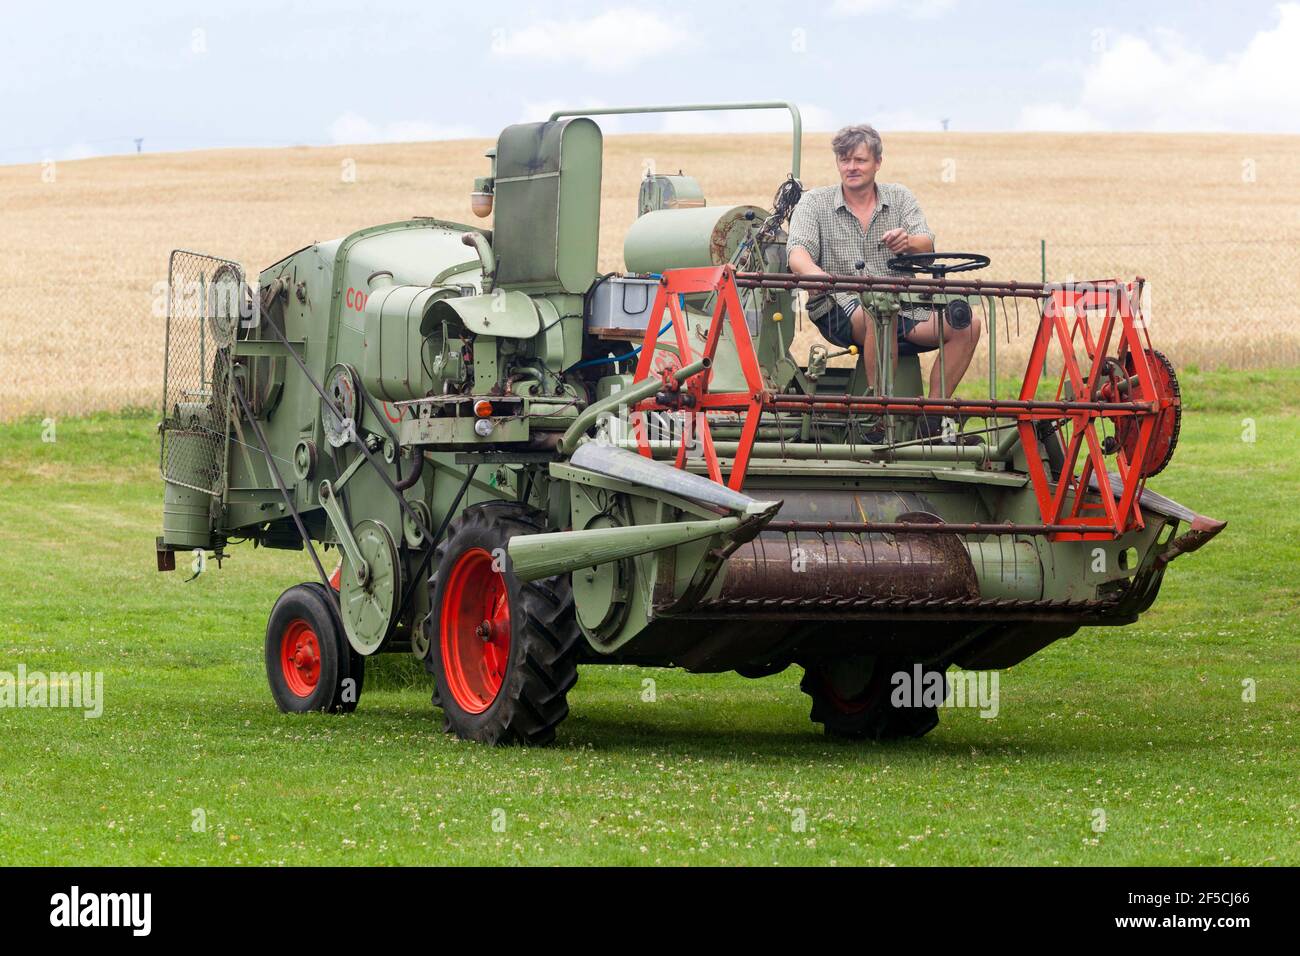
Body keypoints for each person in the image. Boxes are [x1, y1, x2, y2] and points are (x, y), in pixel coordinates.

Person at [786, 124, 982, 411]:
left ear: (878, 163)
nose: (851, 167)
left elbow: (926, 246)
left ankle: (934, 413)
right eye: (845, 160)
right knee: (878, 312)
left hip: (905, 307)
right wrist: (814, 274)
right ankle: (881, 415)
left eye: (860, 160)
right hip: (838, 306)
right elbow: (797, 251)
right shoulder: (815, 202)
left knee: (967, 325)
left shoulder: (900, 197)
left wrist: (908, 243)